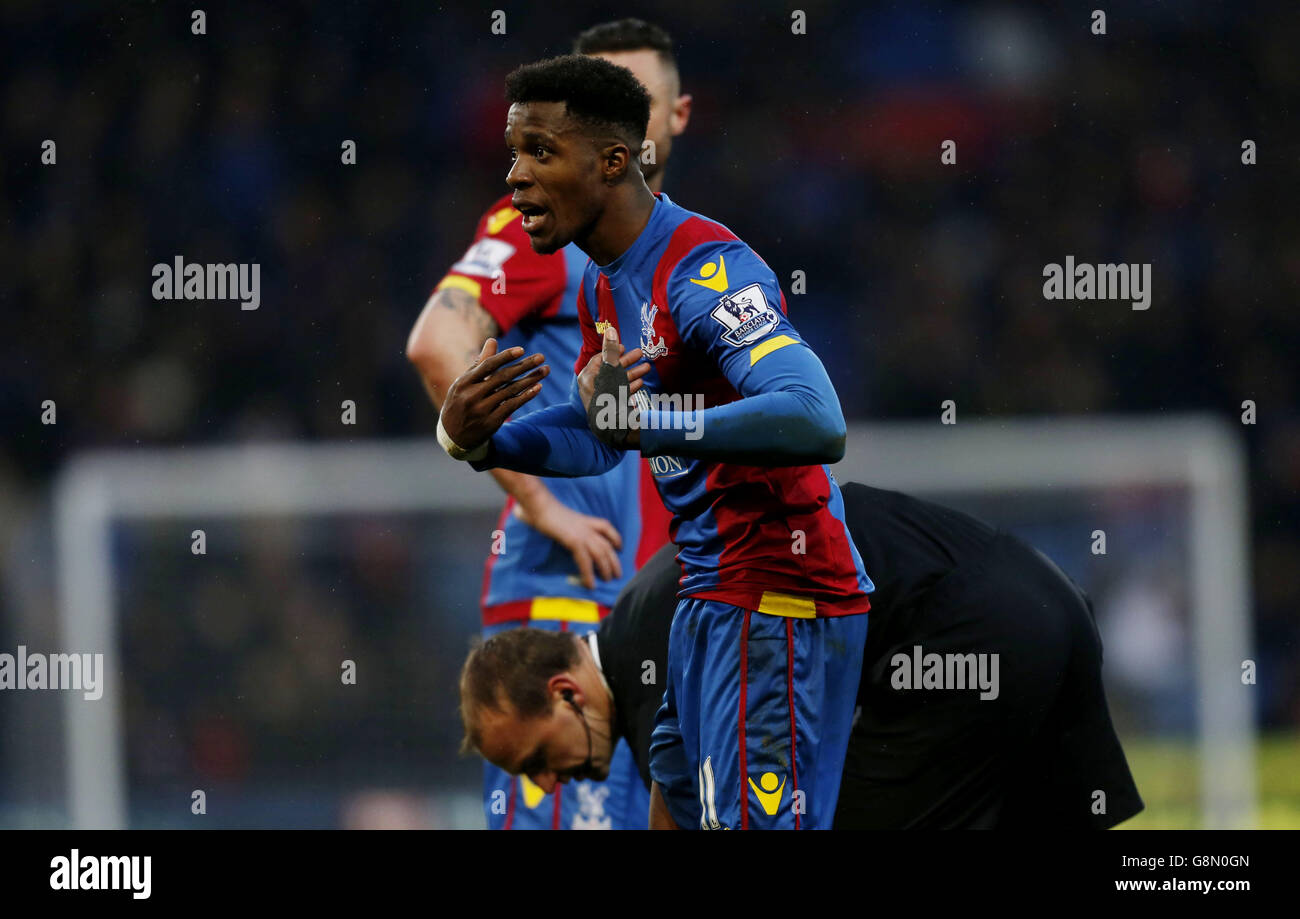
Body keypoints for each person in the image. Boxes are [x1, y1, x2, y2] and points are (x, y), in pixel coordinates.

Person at [437, 54, 873, 829]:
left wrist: (655, 424)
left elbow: (815, 415)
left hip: (776, 595)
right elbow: (597, 440)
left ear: (611, 161)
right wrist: (484, 442)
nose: (514, 177)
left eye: (539, 151)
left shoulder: (703, 267)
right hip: (704, 600)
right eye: (513, 153)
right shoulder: (604, 282)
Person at [459, 483, 1146, 829]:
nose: (549, 785)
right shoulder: (653, 617)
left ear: (565, 692)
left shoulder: (659, 641)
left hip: (973, 632)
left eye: (536, 759)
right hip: (1048, 601)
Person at [405, 20, 690, 830]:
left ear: (675, 117)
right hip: (566, 600)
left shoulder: (681, 254)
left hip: (642, 614)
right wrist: (541, 504)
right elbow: (436, 341)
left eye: (637, 101)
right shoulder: (542, 227)